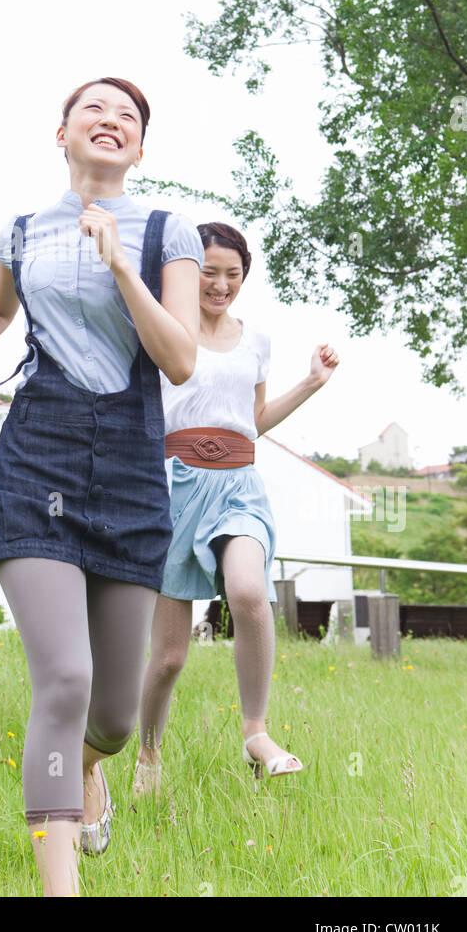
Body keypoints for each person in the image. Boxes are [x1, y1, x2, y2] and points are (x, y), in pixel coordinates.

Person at [0, 79, 203, 897]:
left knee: (111, 715)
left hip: (133, 474)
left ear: (141, 148)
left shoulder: (167, 230)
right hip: (36, 462)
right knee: (65, 682)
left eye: (129, 118)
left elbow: (180, 358)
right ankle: (59, 887)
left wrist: (119, 262)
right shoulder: (21, 230)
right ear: (62, 132)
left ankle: (82, 769)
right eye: (94, 111)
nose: (111, 122)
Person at [134, 222, 339, 791]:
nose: (220, 285)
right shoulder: (163, 333)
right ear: (182, 273)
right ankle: (148, 754)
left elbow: (254, 422)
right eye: (208, 272)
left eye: (233, 274)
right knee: (170, 656)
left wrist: (311, 383)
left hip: (238, 485)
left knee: (249, 593)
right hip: (175, 488)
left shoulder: (256, 340)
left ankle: (255, 732)